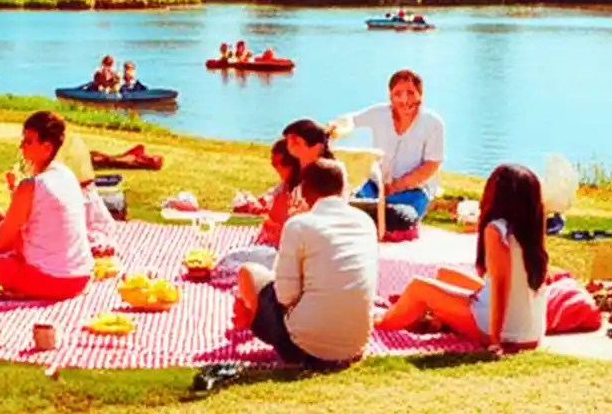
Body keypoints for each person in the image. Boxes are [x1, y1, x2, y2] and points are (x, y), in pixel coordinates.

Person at [376, 164, 549, 355]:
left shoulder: (496, 230)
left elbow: (501, 285)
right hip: (531, 332)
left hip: (505, 332)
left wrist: (495, 340)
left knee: (419, 288)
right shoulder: (529, 231)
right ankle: (432, 317)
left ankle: (381, 321)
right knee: (444, 275)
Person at [234, 159, 378, 368]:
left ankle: (256, 325)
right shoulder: (365, 222)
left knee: (248, 273)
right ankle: (254, 319)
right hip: (355, 344)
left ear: (304, 190)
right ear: (344, 189)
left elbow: (285, 296)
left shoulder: (299, 225)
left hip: (305, 345)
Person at [0, 111, 94, 300]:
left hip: (49, 279)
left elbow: (1, 244)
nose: (21, 146)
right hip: (81, 276)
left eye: (28, 142)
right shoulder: (65, 175)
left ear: (47, 147)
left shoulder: (31, 186)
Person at [329, 69, 445, 232]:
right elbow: (351, 120)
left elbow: (431, 164)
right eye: (398, 94)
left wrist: (397, 186)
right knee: (350, 213)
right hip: (375, 186)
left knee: (401, 219)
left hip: (413, 191)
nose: (405, 100)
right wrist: (335, 127)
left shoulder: (433, 123)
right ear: (390, 96)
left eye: (411, 93)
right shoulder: (379, 113)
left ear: (421, 95)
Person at [257, 139, 307, 247]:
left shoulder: (300, 195)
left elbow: (285, 234)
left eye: (276, 163)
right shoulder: (286, 185)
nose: (272, 165)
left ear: (292, 166)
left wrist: (267, 221)